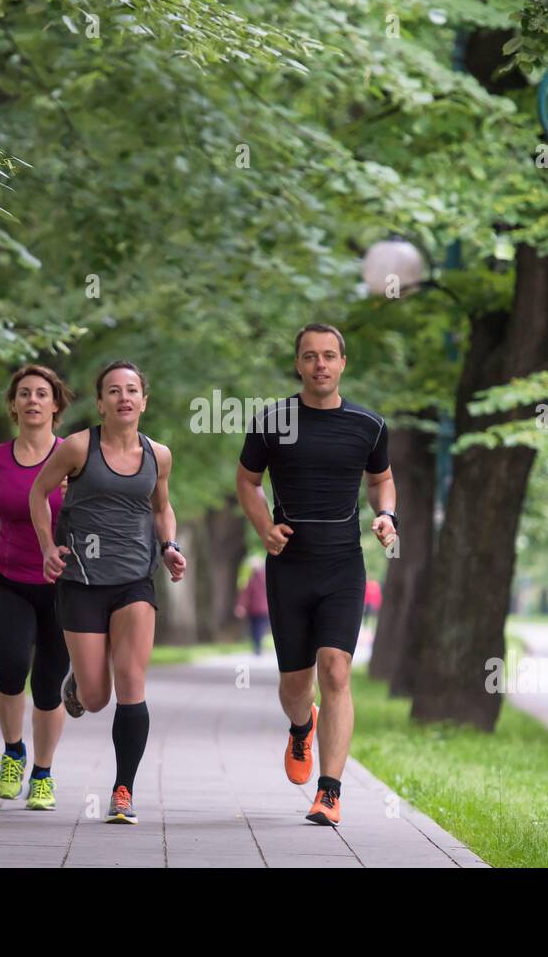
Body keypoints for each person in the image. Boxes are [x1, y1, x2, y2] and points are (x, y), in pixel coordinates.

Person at [235, 323, 396, 826]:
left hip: (343, 564)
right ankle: (301, 726)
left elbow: (382, 480)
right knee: (295, 686)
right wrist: (265, 528)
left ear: (343, 362)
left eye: (329, 355)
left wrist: (387, 515)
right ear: (298, 364)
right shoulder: (272, 421)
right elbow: (246, 480)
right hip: (289, 567)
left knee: (336, 670)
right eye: (310, 356)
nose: (320, 364)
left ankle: (329, 792)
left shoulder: (369, 425)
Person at [30, 361, 186, 825]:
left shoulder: (159, 454)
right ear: (100, 402)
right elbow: (39, 494)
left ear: (143, 400)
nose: (123, 397)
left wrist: (170, 546)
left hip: (136, 579)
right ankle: (80, 681)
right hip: (80, 581)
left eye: (132, 390)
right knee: (97, 697)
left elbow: (162, 506)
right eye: (113, 391)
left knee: (132, 683)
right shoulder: (78, 447)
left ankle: (123, 792)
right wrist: (47, 548)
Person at [0, 364, 74, 810]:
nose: (32, 400)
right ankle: (13, 752)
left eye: (41, 394)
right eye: (24, 393)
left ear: (55, 405)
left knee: (49, 685)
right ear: (13, 405)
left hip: (63, 586)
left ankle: (43, 775)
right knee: (10, 670)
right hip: (9, 580)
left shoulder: (77, 456)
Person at [234, 557, 270, 655]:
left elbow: (245, 595)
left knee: (255, 628)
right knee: (260, 628)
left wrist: (241, 606)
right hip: (265, 609)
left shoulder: (251, 581)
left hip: (254, 610)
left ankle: (257, 647)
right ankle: (258, 646)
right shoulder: (268, 580)